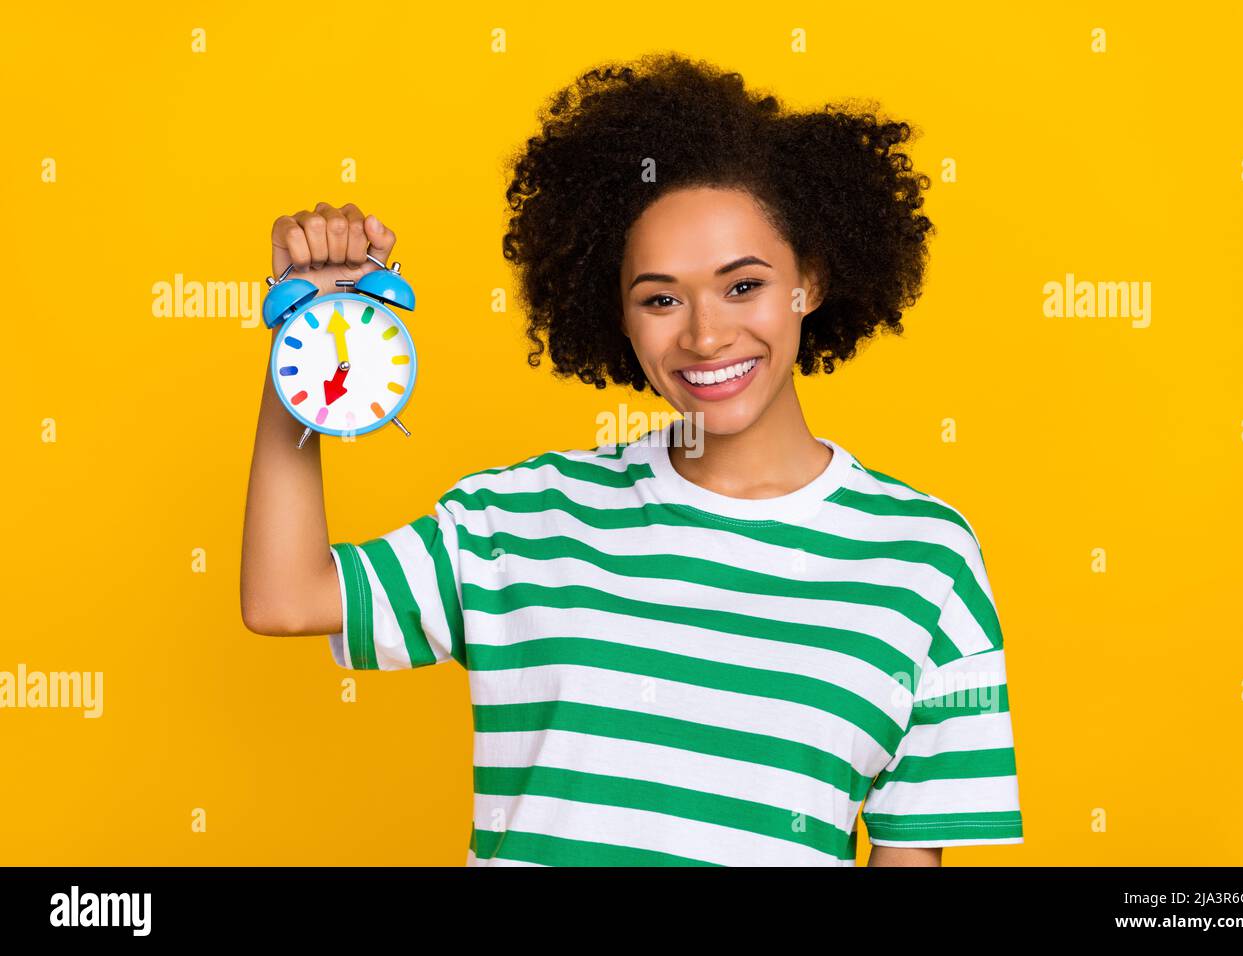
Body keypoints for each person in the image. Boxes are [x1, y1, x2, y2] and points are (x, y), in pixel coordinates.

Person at [240, 52, 1023, 867]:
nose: (704, 335)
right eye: (660, 298)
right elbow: (284, 596)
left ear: (810, 282)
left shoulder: (925, 562)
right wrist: (309, 336)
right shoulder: (521, 517)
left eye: (744, 285)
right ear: (614, 313)